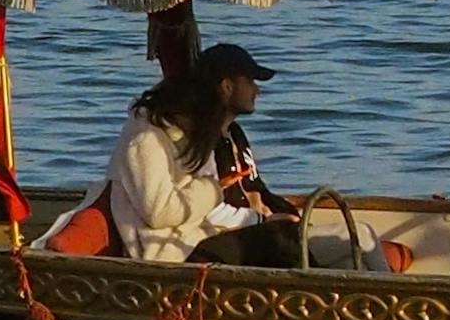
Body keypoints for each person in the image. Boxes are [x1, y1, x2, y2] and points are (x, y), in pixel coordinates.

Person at [107, 42, 304, 266]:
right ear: (226, 87)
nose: (257, 89)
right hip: (169, 252)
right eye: (250, 81)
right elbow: (160, 213)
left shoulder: (201, 135)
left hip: (197, 237)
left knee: (285, 235)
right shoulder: (145, 141)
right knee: (275, 240)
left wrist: (271, 216)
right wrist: (213, 190)